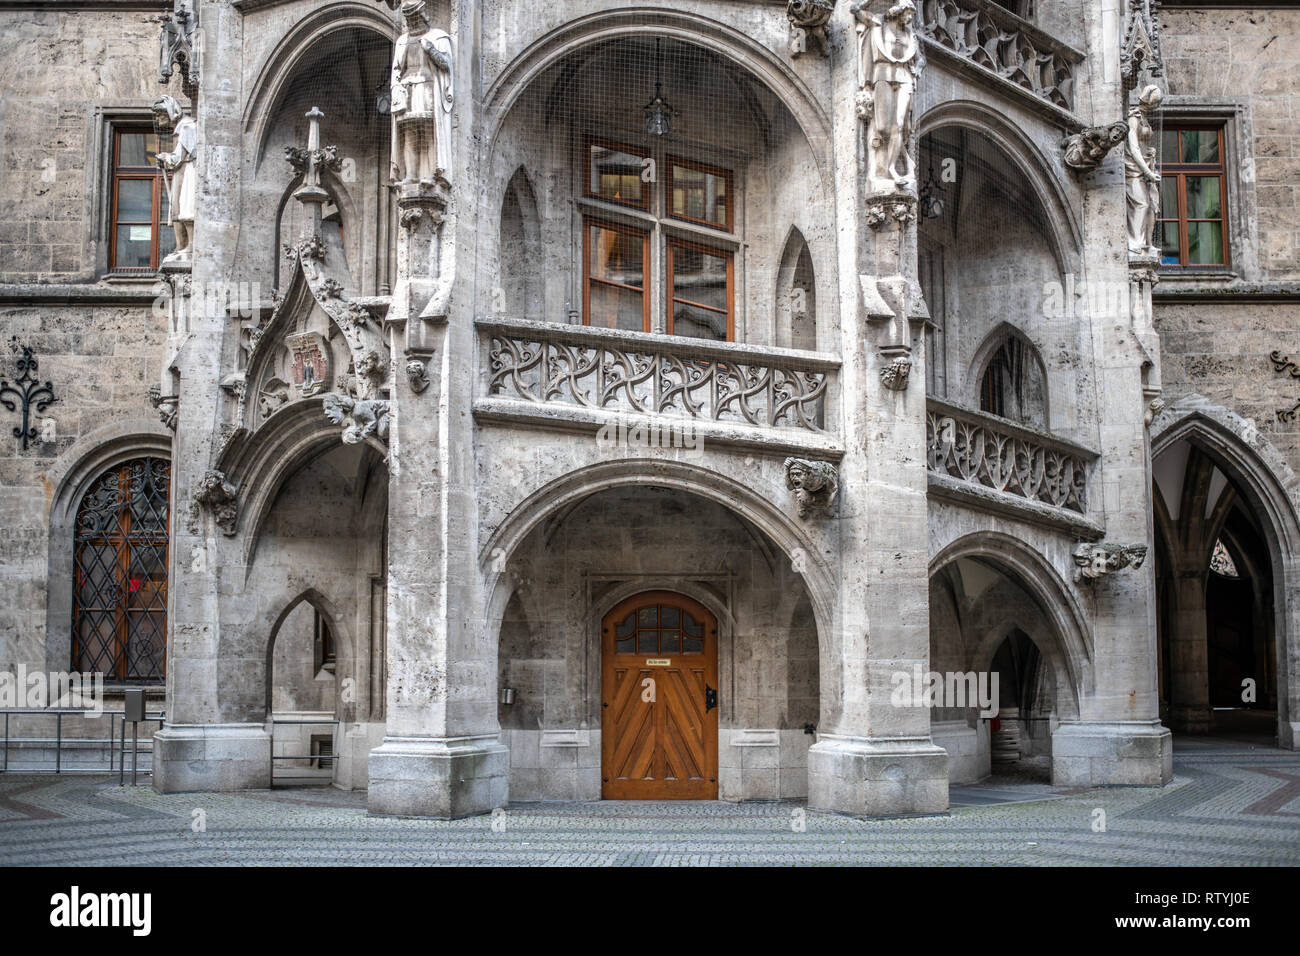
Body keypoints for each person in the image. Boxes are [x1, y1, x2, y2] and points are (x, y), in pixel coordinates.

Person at [390, 0, 454, 185]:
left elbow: (446, 65)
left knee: (427, 129)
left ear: (423, 16)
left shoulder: (438, 37)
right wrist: (396, 86)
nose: (412, 24)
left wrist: (431, 49)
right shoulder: (402, 41)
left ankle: (430, 174)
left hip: (428, 88)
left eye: (415, 19)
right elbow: (396, 69)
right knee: (409, 132)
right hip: (407, 90)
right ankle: (411, 175)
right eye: (410, 20)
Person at [153, 95, 197, 262]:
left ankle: (191, 246)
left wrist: (166, 158)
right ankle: (181, 246)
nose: (158, 119)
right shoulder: (181, 127)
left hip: (188, 170)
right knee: (176, 207)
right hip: (181, 170)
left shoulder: (187, 126)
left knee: (186, 206)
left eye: (160, 114)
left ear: (170, 112)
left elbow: (181, 155)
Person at [1125, 84, 1164, 257]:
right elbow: (1133, 148)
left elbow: (1141, 145)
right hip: (1133, 167)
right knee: (1141, 203)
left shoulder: (1145, 119)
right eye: (1155, 104)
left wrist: (1150, 153)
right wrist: (1147, 172)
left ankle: (1147, 243)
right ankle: (1134, 243)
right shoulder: (1134, 117)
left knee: (1151, 206)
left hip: (1145, 164)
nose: (1156, 108)